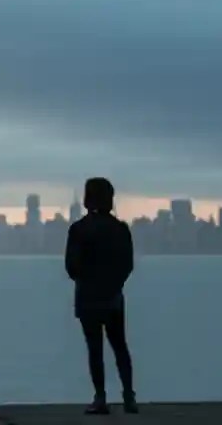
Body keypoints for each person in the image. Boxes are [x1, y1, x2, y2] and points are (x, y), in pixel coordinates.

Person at [65, 177, 136, 415]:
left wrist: (87, 280)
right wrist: (114, 284)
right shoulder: (120, 229)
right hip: (113, 296)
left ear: (87, 199)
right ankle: (129, 396)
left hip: (87, 297)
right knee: (120, 346)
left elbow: (71, 267)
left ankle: (100, 398)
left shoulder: (78, 230)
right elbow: (128, 264)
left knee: (95, 349)